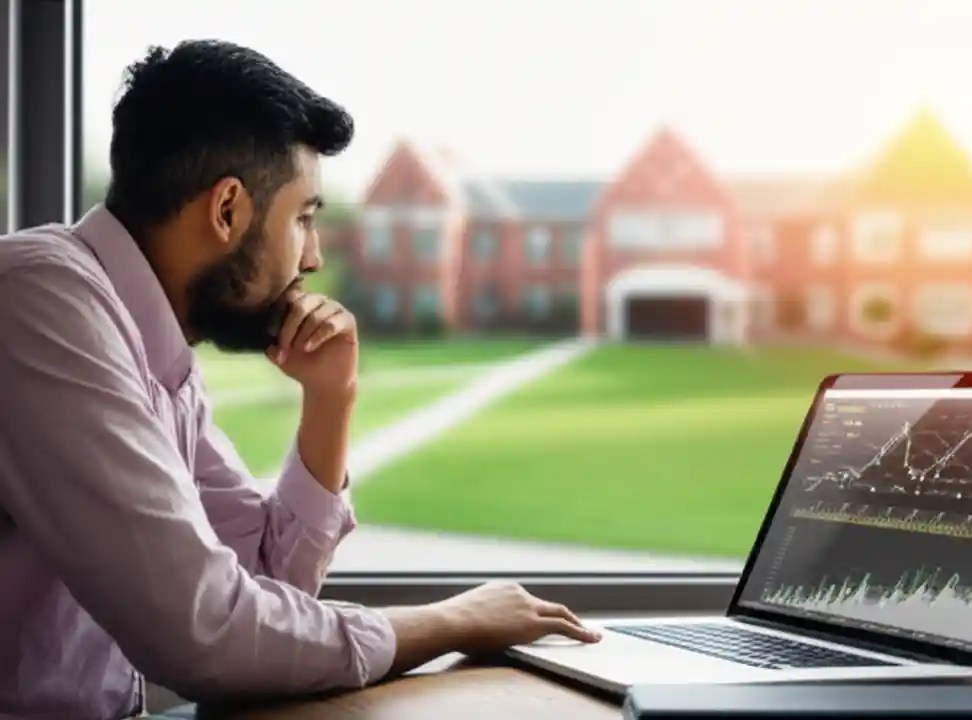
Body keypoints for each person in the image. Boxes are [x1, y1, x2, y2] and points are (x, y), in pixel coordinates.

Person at [0, 39, 598, 719]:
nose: (313, 256)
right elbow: (209, 637)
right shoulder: (40, 303)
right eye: (305, 217)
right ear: (227, 210)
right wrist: (452, 621)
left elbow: (268, 589)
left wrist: (330, 399)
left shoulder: (154, 351)